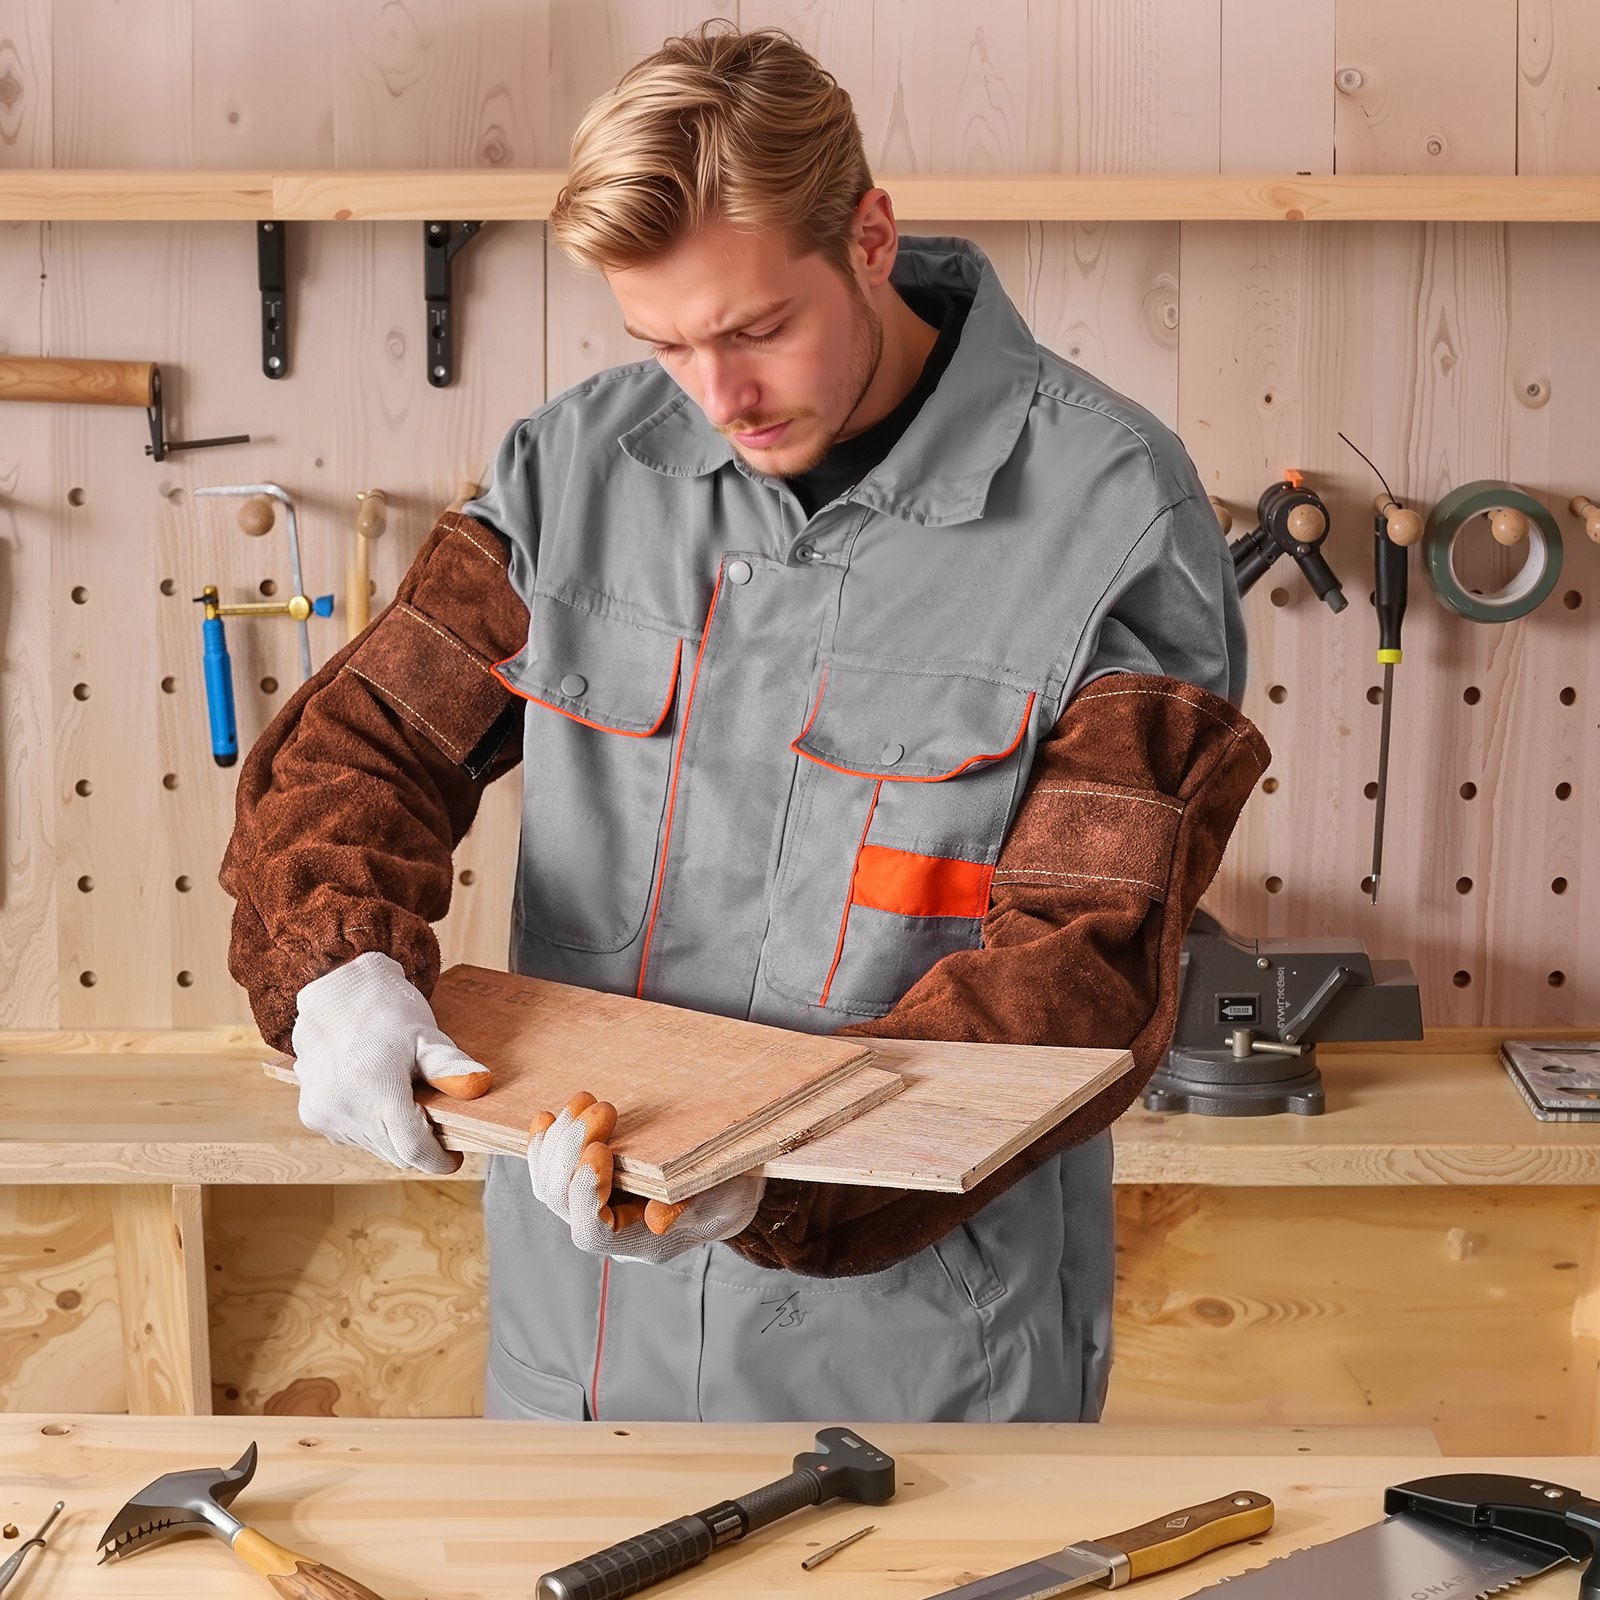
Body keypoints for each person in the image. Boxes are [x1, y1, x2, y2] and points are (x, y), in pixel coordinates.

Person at [222, 21, 1270, 1425]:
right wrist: (336, 962)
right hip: (580, 1347)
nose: (719, 398)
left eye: (758, 329)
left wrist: (777, 1168)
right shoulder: (572, 470)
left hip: (922, 1371)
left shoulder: (1114, 510)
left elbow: (1087, 960)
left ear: (872, 236)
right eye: (663, 343)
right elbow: (370, 746)